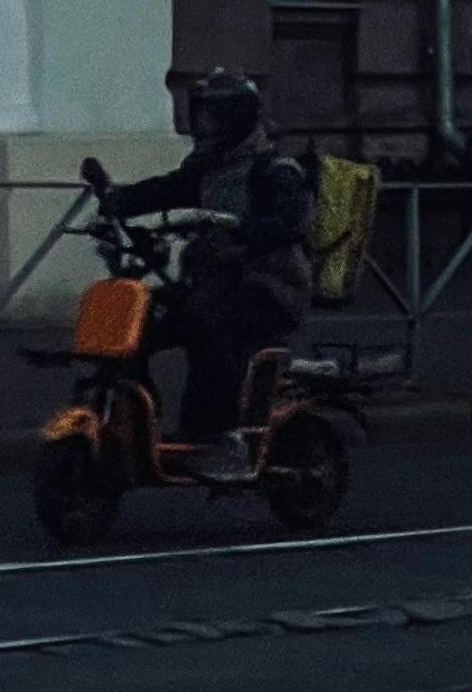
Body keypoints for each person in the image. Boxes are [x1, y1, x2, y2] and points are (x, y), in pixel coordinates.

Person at [87, 71, 313, 482]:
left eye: (214, 115)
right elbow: (167, 189)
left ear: (237, 118)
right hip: (212, 285)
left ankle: (221, 439)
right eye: (201, 114)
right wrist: (118, 201)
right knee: (137, 319)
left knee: (210, 320)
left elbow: (290, 222)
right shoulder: (208, 167)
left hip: (269, 289)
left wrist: (243, 229)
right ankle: (134, 422)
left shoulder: (274, 170)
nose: (204, 124)